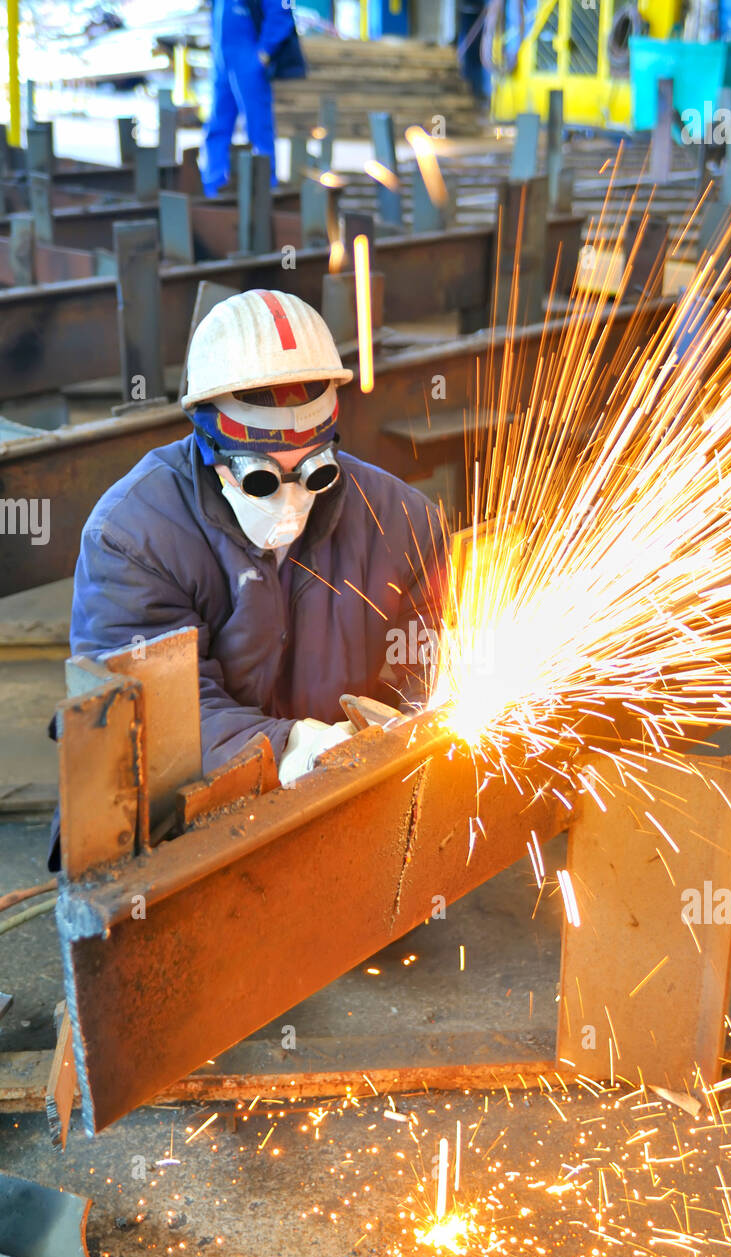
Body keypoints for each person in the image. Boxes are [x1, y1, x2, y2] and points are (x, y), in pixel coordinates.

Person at [49, 290, 443, 868]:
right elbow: (151, 715)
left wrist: (404, 736)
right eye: (261, 478)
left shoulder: (401, 519)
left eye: (314, 472)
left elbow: (421, 671)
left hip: (344, 811)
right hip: (186, 829)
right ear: (209, 446)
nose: (290, 498)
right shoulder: (133, 533)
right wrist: (289, 748)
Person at [201, 0, 305, 197]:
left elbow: (282, 14)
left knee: (258, 128)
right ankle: (213, 187)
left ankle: (264, 188)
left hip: (248, 58)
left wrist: (264, 53)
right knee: (217, 127)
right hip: (222, 58)